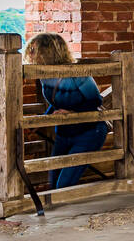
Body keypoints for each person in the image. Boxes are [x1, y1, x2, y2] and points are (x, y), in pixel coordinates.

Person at [25, 33, 109, 190]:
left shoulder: (77, 73)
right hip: (64, 132)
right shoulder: (45, 75)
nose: (30, 54)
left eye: (34, 50)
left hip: (89, 131)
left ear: (48, 52)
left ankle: (67, 213)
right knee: (54, 180)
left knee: (64, 183)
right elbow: (57, 103)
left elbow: (95, 101)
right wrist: (41, 121)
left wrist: (72, 112)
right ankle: (58, 212)